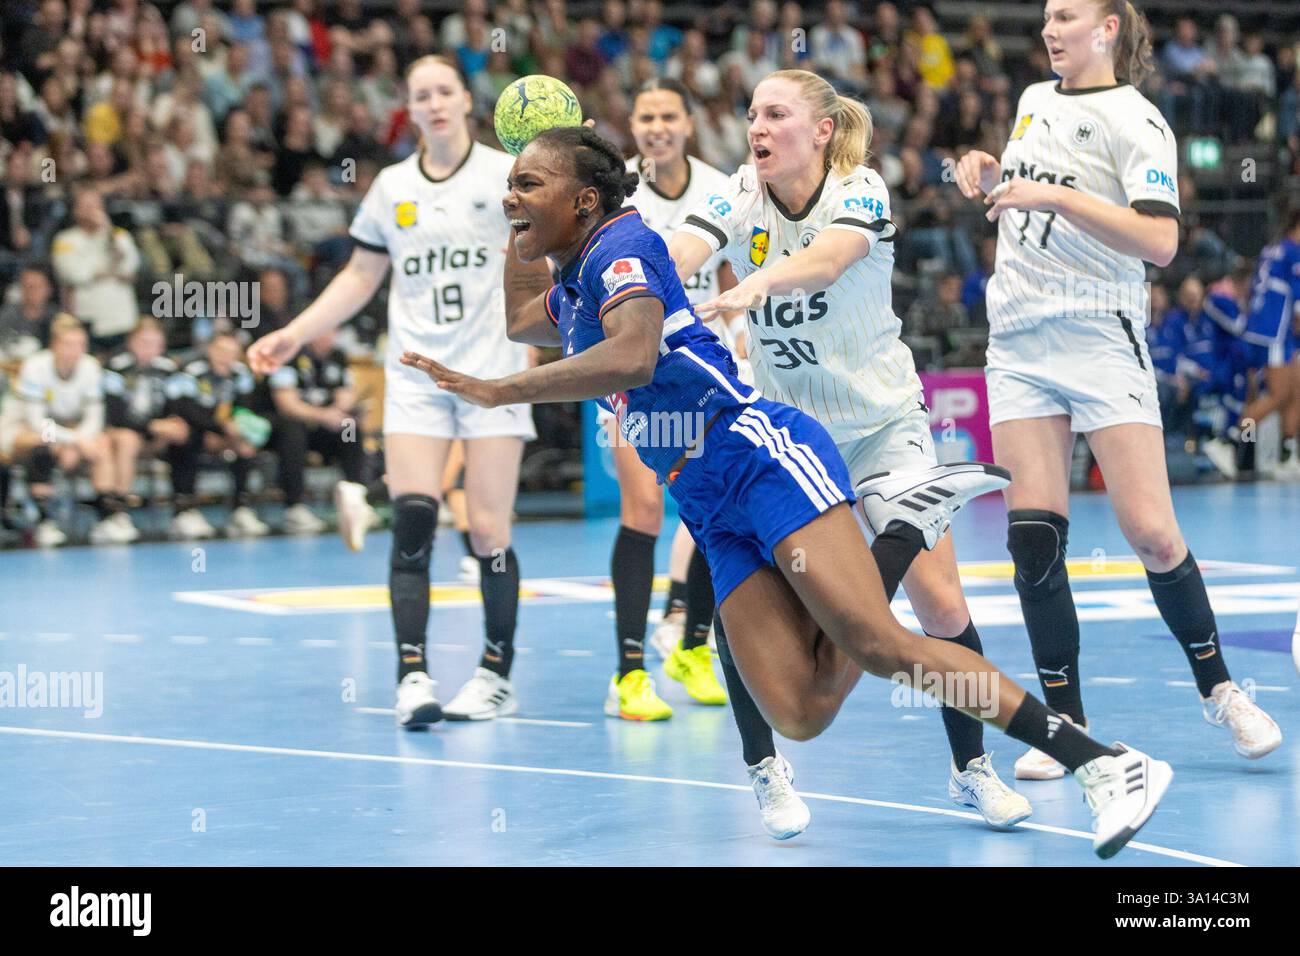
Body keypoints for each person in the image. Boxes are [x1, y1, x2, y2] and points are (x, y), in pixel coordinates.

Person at [402, 124, 1174, 859]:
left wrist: (505, 391)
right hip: (704, 498)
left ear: (583, 200)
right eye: (510, 183)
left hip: (755, 454)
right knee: (801, 710)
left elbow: (634, 356)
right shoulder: (574, 284)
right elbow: (518, 320)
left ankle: (1103, 764)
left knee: (882, 646)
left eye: (529, 183)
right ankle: (898, 535)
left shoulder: (622, 247)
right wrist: (515, 222)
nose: (511, 194)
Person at [670, 69, 1029, 835]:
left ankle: (972, 769)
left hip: (881, 423)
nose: (757, 127)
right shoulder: (738, 192)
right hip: (789, 440)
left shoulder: (859, 188)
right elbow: (680, 248)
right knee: (750, 606)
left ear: (822, 129)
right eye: (752, 114)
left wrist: (754, 287)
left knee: (941, 605)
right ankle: (764, 769)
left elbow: (829, 259)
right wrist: (625, 279)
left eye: (776, 114)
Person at [954, 0, 1281, 777]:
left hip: (1101, 336)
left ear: (1106, 29)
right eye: (1045, 17)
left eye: (1065, 16)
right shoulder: (1033, 100)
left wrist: (1056, 197)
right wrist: (991, 173)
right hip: (1020, 338)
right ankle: (1065, 723)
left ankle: (1221, 689)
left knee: (1153, 533)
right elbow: (1026, 192)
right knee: (1033, 540)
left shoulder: (1139, 120)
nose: (1048, 29)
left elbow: (1161, 240)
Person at [248, 56, 553, 727]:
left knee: (488, 530)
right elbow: (359, 277)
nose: (435, 103)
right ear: (409, 109)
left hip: (493, 375)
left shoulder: (503, 176)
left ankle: (496, 674)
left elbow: (549, 248)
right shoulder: (390, 187)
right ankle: (412, 675)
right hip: (416, 374)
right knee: (414, 517)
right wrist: (294, 334)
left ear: (466, 100)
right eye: (422, 95)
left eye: (445, 91)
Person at [600, 78, 741, 720]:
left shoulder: (719, 187)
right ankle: (629, 674)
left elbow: (733, 272)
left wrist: (741, 323)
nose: (657, 127)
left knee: (712, 508)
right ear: (632, 126)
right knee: (644, 510)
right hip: (629, 372)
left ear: (688, 123)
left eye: (668, 116)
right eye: (646, 116)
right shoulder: (614, 191)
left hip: (701, 370)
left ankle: (692, 646)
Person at [2, 315, 122, 547]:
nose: (75, 350)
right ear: (54, 345)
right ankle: (44, 521)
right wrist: (74, 439)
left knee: (102, 442)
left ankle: (106, 517)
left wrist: (77, 440)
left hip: (69, 429)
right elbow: (37, 421)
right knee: (42, 441)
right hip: (22, 427)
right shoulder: (35, 366)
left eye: (80, 344)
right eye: (68, 344)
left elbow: (94, 417)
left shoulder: (90, 367)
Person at [1203, 209, 1300, 481]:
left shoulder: (1273, 249)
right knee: (1279, 395)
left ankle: (1286, 455)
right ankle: (1228, 441)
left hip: (1261, 328)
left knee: (1293, 388)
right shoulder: (1293, 252)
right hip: (1274, 332)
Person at [268, 328, 375, 535]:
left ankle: (355, 499)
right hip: (292, 428)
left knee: (350, 428)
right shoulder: (290, 355)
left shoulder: (338, 357)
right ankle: (295, 506)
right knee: (292, 429)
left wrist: (339, 410)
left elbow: (346, 393)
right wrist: (323, 415)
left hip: (325, 430)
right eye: (322, 331)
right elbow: (287, 404)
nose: (326, 337)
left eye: (331, 332)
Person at [172, 331, 271, 538]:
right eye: (221, 350)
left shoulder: (241, 374)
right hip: (198, 429)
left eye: (231, 352)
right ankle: (185, 509)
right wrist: (219, 427)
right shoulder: (192, 371)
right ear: (210, 350)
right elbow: (185, 409)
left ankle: (241, 508)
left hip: (226, 431)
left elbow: (244, 407)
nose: (225, 356)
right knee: (186, 435)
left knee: (245, 445)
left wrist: (234, 426)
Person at [102, 317, 192, 542]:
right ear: (131, 342)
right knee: (127, 440)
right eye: (143, 343)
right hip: (124, 431)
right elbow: (115, 415)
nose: (149, 349)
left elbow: (177, 406)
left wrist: (169, 425)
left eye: (155, 344)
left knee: (183, 433)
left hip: (157, 433)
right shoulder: (115, 367)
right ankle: (117, 513)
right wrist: (151, 426)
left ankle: (183, 509)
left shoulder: (169, 368)